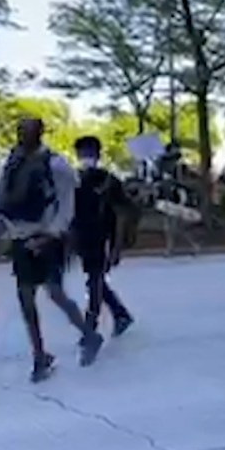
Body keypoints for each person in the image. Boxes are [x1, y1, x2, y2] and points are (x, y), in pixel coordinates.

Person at [0, 118, 100, 381]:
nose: (22, 136)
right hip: (20, 237)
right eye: (20, 131)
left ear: (40, 133)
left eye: (27, 131)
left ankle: (88, 334)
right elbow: (2, 200)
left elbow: (66, 204)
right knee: (26, 299)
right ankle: (40, 355)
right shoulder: (12, 163)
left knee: (55, 292)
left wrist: (52, 234)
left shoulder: (55, 165)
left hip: (46, 238)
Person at [72, 136, 134, 340]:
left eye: (89, 153)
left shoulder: (108, 181)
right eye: (82, 153)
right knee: (95, 281)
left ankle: (91, 326)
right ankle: (120, 314)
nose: (85, 157)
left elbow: (122, 214)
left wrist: (117, 246)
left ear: (98, 155)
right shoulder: (74, 180)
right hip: (83, 237)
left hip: (102, 237)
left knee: (95, 281)